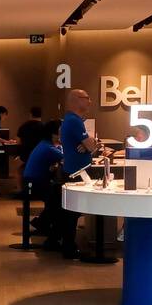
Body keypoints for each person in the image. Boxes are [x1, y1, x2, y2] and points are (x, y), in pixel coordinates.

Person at [58, 89, 101, 258]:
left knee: (71, 213)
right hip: (76, 172)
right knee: (71, 213)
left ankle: (68, 246)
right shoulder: (74, 121)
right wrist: (90, 144)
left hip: (74, 170)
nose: (90, 102)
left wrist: (89, 143)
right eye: (87, 98)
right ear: (77, 100)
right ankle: (69, 248)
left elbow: (90, 144)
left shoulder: (73, 120)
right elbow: (91, 146)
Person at [22, 121, 63, 243]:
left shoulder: (45, 144)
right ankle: (51, 233)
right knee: (58, 201)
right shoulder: (48, 148)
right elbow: (67, 158)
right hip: (35, 183)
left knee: (56, 199)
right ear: (54, 134)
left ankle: (42, 223)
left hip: (33, 181)